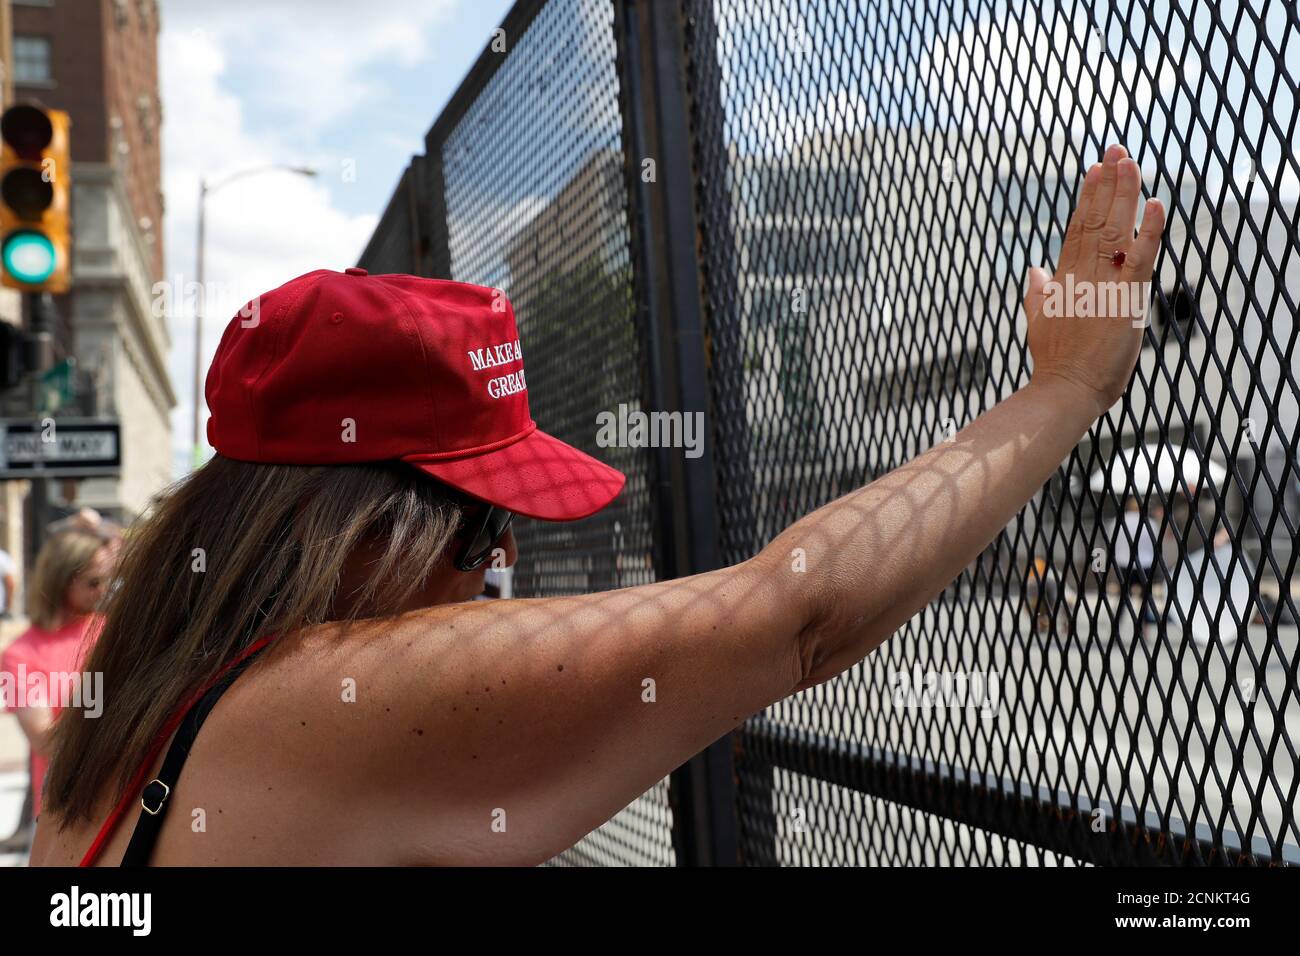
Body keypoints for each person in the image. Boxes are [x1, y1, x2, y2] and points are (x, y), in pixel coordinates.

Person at [31, 144, 1164, 866]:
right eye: (479, 518)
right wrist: (1062, 391)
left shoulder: (130, 702)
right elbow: (793, 614)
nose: (504, 552)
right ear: (365, 525)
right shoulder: (319, 699)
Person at [0, 530, 112, 818]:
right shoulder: (19, 655)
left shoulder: (113, 631)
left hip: (125, 800)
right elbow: (45, 742)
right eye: (94, 582)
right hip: (65, 810)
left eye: (107, 579)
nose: (104, 590)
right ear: (62, 580)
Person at [1113, 496, 1163, 637]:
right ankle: (1142, 629)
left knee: (1122, 599)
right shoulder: (1150, 523)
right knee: (1144, 599)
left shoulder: (1119, 522)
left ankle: (1116, 628)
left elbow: (1113, 542)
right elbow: (1154, 545)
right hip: (1145, 564)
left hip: (1124, 564)